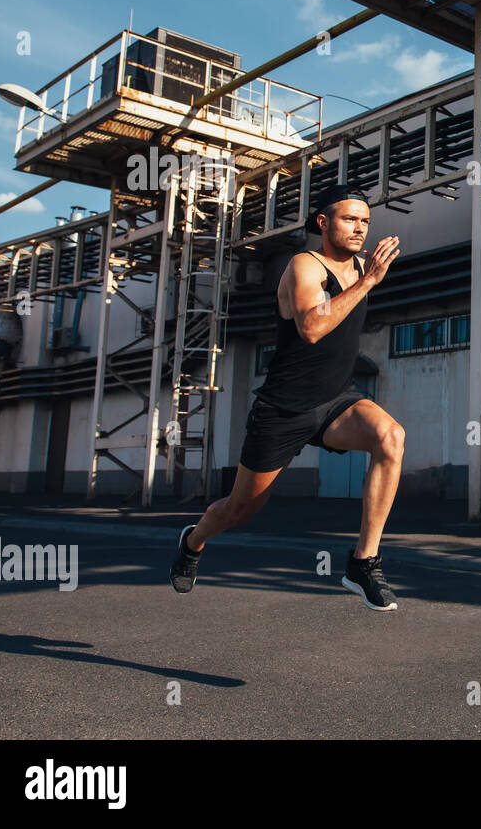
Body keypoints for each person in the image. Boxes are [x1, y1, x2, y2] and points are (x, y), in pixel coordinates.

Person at [170, 184, 404, 610]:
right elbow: (312, 328)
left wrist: (365, 277)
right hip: (283, 409)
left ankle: (363, 562)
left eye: (365, 221)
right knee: (241, 510)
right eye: (350, 219)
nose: (359, 228)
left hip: (335, 401)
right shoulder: (304, 266)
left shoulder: (359, 269)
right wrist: (369, 281)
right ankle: (193, 541)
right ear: (323, 222)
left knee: (391, 436)